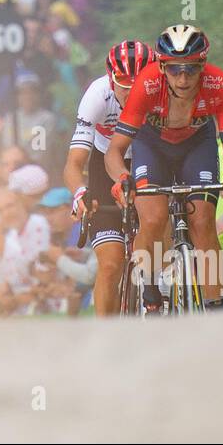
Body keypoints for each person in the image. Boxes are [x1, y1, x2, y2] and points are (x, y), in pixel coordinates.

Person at [105, 25, 223, 313]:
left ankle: (216, 311)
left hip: (198, 145)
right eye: (174, 70)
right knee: (154, 218)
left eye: (191, 70)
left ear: (203, 66)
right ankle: (149, 284)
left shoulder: (220, 84)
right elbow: (115, 151)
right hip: (152, 145)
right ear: (161, 66)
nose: (183, 79)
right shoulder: (146, 85)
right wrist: (122, 178)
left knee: (203, 223)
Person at [63, 39, 152, 316]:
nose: (132, 91)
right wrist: (79, 194)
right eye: (125, 83)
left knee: (158, 249)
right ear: (111, 80)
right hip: (105, 167)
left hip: (147, 161)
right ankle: (106, 335)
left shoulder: (161, 91)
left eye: (139, 83)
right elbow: (74, 163)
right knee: (111, 263)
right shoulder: (97, 95)